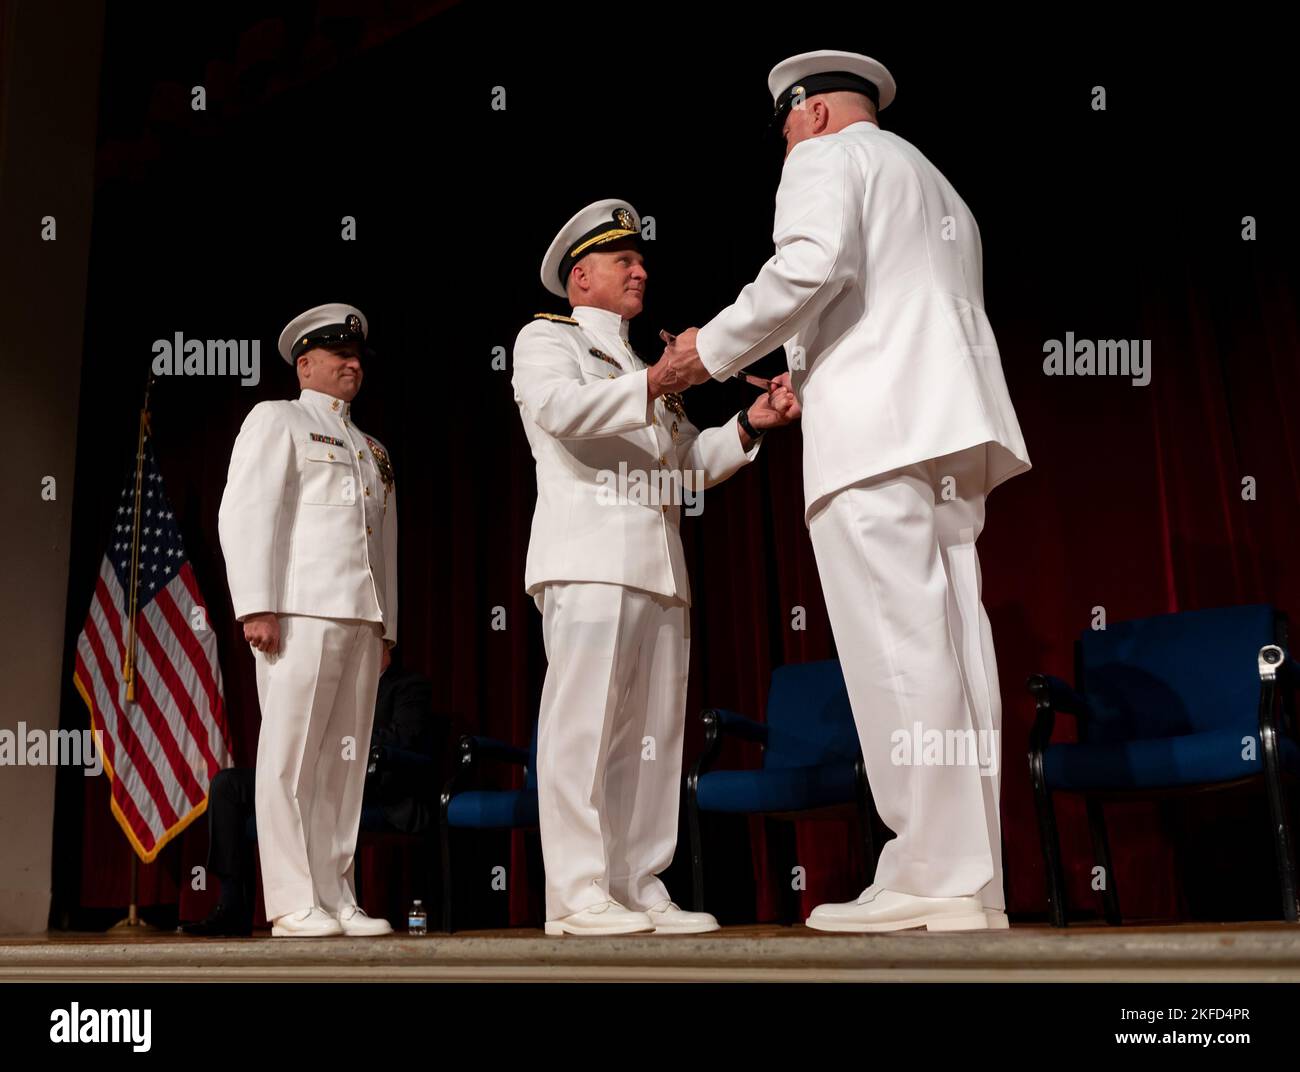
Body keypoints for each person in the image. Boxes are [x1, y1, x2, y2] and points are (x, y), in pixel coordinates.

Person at [661, 51, 1031, 932]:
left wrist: (702, 352)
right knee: (954, 643)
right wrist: (781, 369)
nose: (783, 143)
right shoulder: (934, 180)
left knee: (899, 647)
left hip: (873, 433)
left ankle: (930, 874)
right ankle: (972, 878)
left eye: (785, 125)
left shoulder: (824, 159)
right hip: (944, 425)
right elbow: (870, 300)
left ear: (814, 115)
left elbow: (810, 268)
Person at [512, 199, 800, 935]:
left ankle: (637, 882)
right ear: (581, 277)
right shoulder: (549, 341)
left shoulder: (647, 368)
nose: (641, 270)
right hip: (589, 558)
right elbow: (561, 412)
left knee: (652, 733)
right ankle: (577, 896)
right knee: (584, 728)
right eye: (623, 261)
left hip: (659, 567)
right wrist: (654, 384)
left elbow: (682, 470)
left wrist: (745, 426)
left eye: (641, 260)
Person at [217, 302, 399, 937]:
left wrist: (387, 626)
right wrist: (256, 605)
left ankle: (336, 893)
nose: (353, 364)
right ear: (305, 363)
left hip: (359, 618)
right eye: (339, 354)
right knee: (291, 758)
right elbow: (246, 511)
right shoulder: (279, 419)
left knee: (344, 764)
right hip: (296, 612)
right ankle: (294, 901)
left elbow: (384, 545)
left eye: (357, 356)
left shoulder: (372, 448)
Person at [180, 662, 440, 937]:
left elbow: (405, 738)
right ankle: (232, 904)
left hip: (371, 789)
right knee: (227, 786)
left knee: (310, 797)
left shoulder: (408, 685)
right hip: (312, 776)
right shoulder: (335, 684)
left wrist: (339, 742)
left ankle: (327, 905)